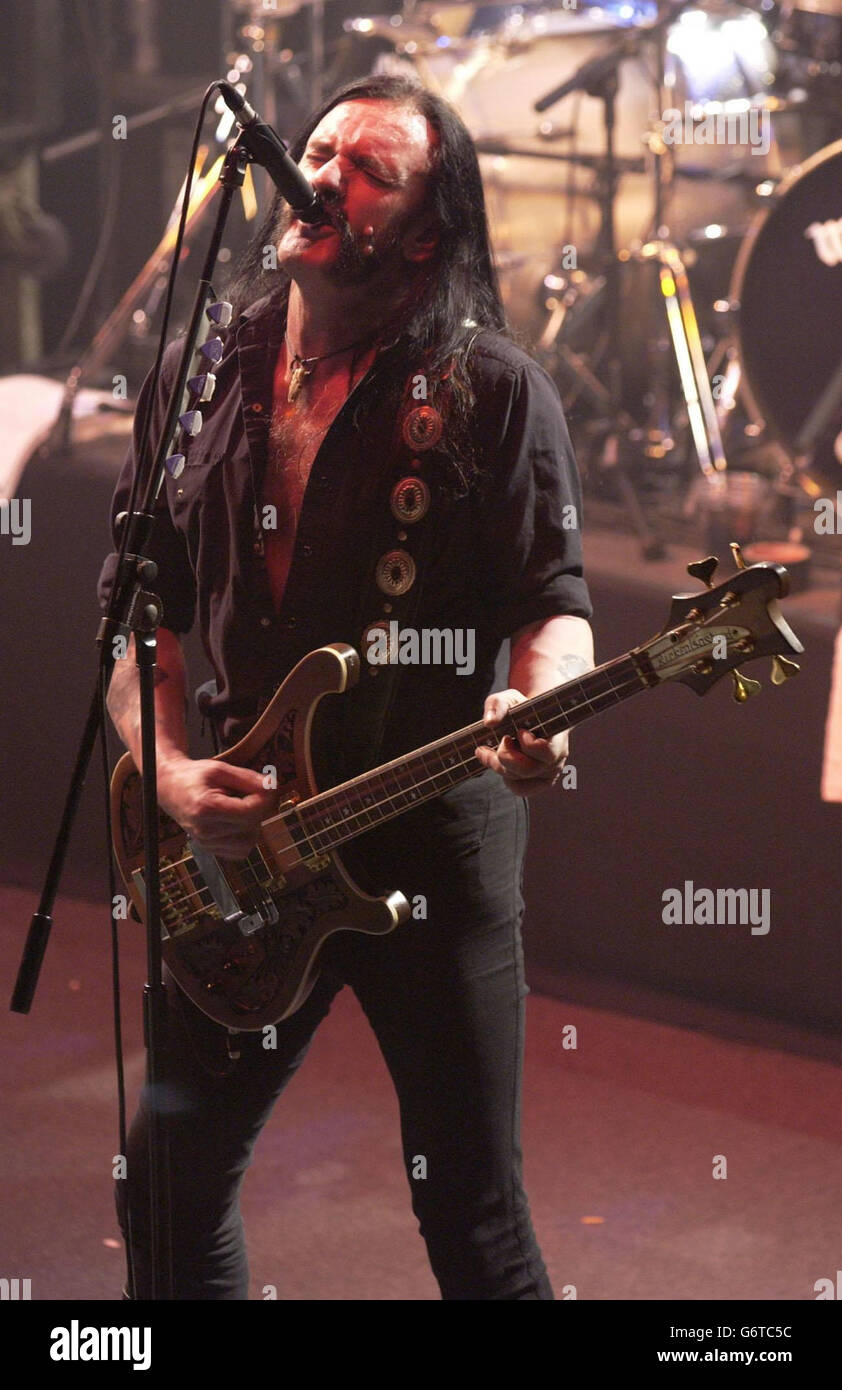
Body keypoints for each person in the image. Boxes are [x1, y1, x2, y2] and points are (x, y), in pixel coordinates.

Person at [99, 73, 594, 1301]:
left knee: (470, 1217)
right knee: (163, 1184)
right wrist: (162, 771)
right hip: (247, 845)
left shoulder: (491, 392)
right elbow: (135, 616)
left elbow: (553, 607)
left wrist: (533, 718)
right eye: (316, 149)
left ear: (425, 230)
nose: (317, 172)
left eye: (367, 168)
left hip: (429, 844)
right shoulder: (198, 373)